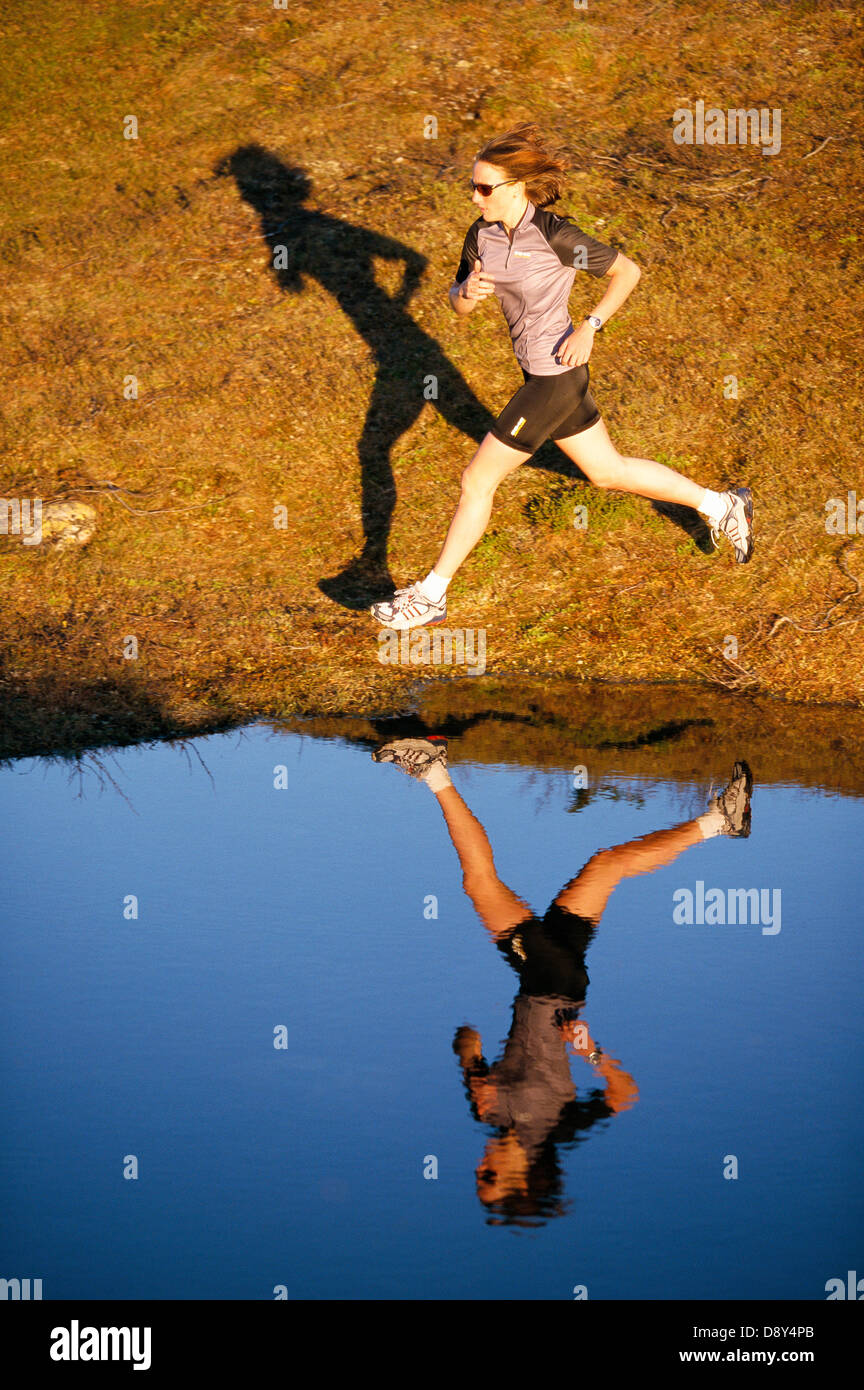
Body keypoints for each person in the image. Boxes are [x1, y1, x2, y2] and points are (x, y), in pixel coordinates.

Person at [371, 124, 754, 632]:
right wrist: (469, 292)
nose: (474, 195)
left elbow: (628, 272)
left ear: (514, 188)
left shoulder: (554, 236)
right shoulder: (480, 234)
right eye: (472, 186)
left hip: (553, 378)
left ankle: (432, 594)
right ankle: (723, 504)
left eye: (483, 188)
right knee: (607, 472)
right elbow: (457, 301)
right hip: (540, 371)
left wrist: (590, 325)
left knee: (475, 480)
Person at [373, 734, 753, 1222]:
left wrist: (472, 1067)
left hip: (535, 980)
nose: (479, 1168)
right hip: (553, 984)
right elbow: (623, 1095)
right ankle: (431, 769)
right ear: (523, 1177)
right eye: (489, 1179)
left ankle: (722, 820)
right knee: (479, 884)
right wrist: (591, 1052)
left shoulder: (487, 1115)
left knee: (606, 865)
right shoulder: (558, 1130)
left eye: (477, 1178)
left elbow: (465, 1035)